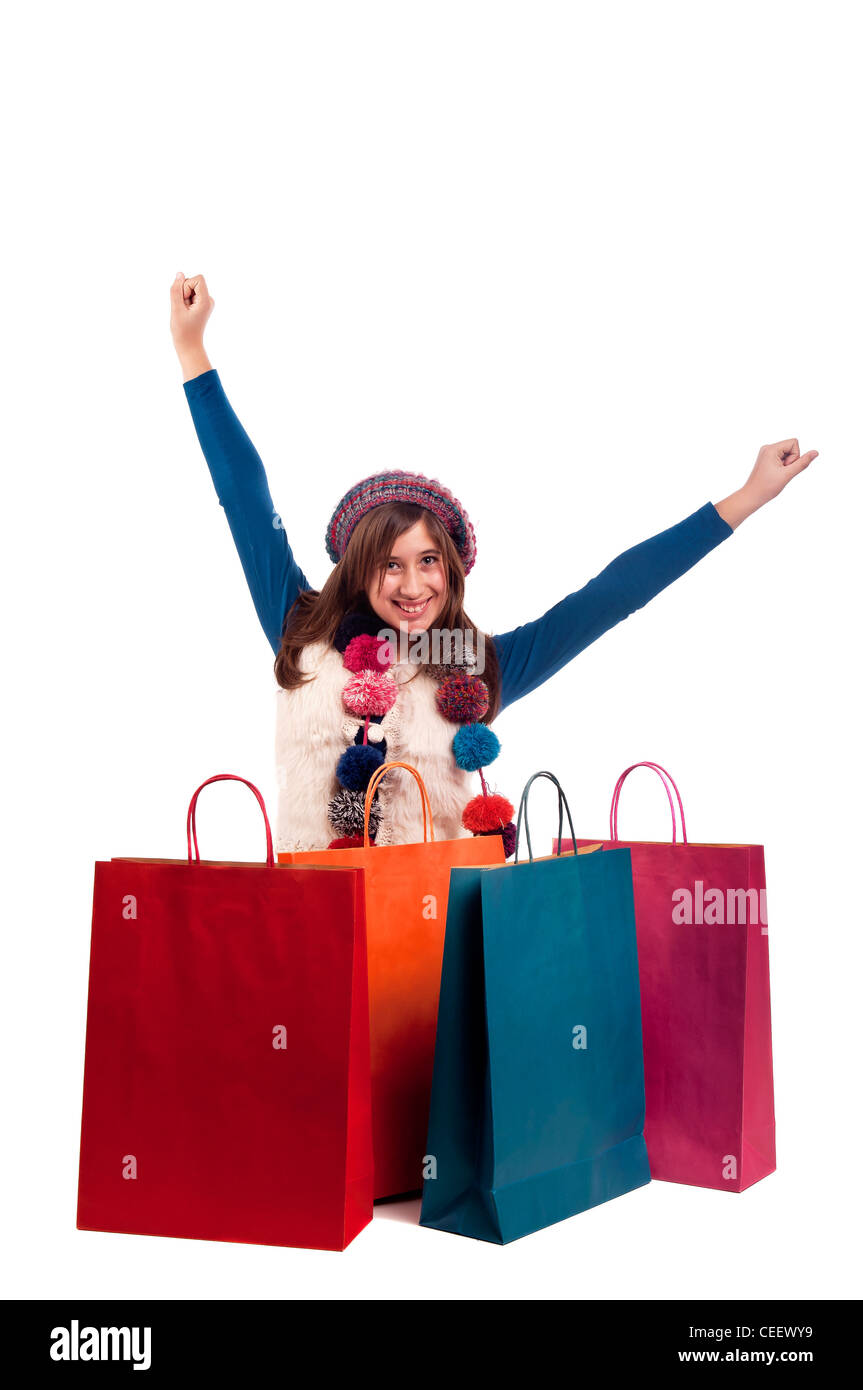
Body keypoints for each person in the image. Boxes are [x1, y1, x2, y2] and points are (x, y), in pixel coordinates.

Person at [169, 271, 818, 856]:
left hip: (437, 939)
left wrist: (747, 497)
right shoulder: (300, 628)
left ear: (451, 568)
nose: (413, 584)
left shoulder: (476, 667)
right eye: (389, 565)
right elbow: (244, 498)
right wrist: (192, 350)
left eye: (429, 561)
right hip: (310, 929)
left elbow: (613, 594)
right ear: (357, 568)